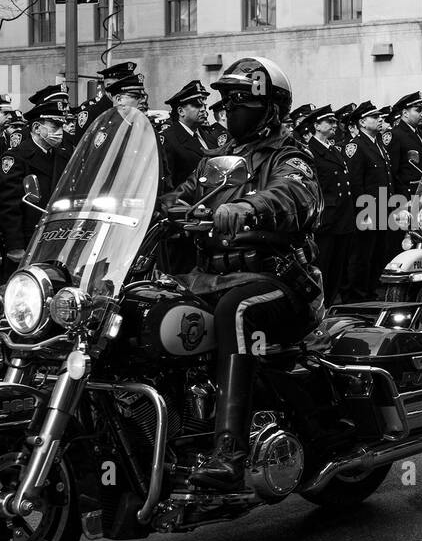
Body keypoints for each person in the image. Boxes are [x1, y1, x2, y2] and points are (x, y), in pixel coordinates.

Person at [164, 56, 322, 491]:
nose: (229, 109)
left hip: (280, 283)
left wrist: (249, 207)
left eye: (238, 101)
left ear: (270, 107)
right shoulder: (216, 161)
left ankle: (230, 451)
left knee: (237, 310)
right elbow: (181, 196)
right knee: (150, 306)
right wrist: (149, 208)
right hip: (208, 277)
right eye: (226, 100)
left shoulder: (290, 157)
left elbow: (295, 195)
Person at [0, 88, 72, 261]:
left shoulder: (62, 155)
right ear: (37, 127)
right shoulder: (16, 158)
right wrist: (15, 245)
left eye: (62, 125)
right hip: (29, 240)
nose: (61, 131)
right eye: (56, 125)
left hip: (59, 235)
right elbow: (8, 205)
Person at [305, 105, 356, 305]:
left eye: (335, 121)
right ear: (317, 125)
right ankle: (320, 306)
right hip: (326, 220)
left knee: (337, 267)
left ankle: (330, 303)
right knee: (323, 267)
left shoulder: (333, 149)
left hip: (342, 218)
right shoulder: (310, 151)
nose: (334, 125)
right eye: (329, 121)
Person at [344, 100, 394, 300]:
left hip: (383, 204)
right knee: (363, 254)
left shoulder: (379, 143)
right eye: (374, 117)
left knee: (378, 252)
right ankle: (358, 295)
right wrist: (363, 212)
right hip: (367, 208)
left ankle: (370, 290)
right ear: (362, 122)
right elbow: (356, 183)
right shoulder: (356, 146)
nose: (380, 119)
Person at [161, 79, 211, 188]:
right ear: (181, 111)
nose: (203, 110)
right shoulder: (169, 139)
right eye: (197, 106)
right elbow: (168, 184)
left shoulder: (208, 134)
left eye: (204, 105)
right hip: (185, 202)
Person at [387, 91, 422, 201]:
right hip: (406, 196)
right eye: (418, 110)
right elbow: (393, 172)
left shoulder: (421, 134)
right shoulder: (395, 135)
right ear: (405, 113)